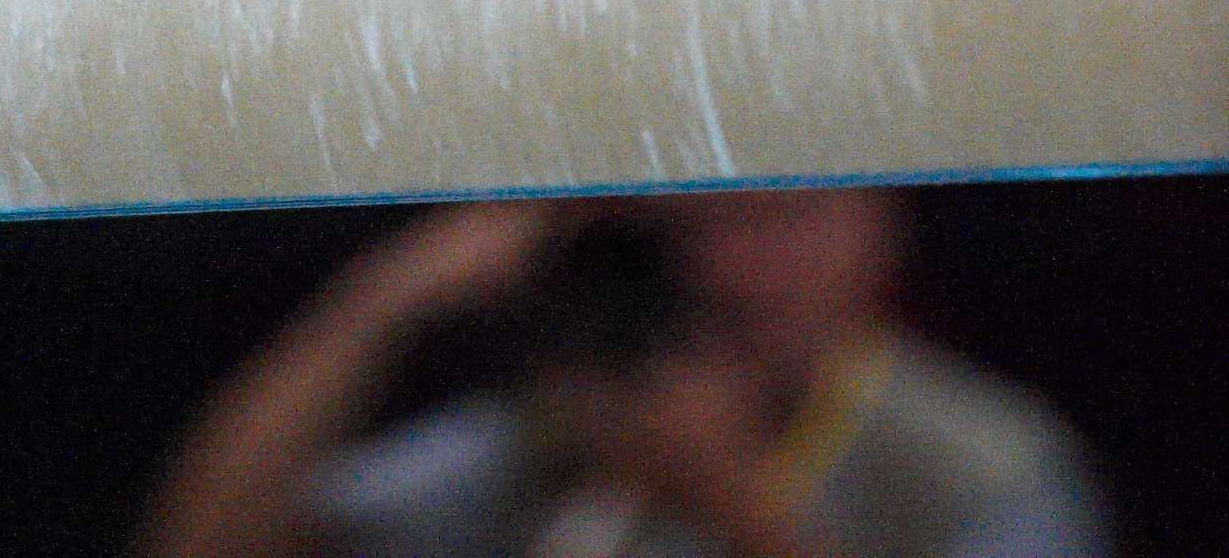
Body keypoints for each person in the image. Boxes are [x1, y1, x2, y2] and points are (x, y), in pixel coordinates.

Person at [133, 191, 1110, 558]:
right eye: (686, 225)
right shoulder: (556, 444)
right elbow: (207, 543)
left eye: (777, 214)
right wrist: (381, 298)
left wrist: (737, 506)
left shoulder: (984, 466)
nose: (726, 264)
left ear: (876, 218)